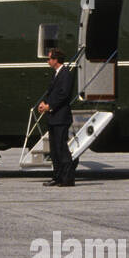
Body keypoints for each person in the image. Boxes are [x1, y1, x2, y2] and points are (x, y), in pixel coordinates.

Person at [38, 48, 76, 187]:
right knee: (54, 149)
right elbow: (52, 92)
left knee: (61, 148)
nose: (48, 61)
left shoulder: (65, 74)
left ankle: (67, 178)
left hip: (61, 117)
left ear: (55, 60)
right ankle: (57, 176)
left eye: (49, 59)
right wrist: (44, 103)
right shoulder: (56, 74)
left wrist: (50, 106)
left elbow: (64, 94)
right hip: (53, 117)